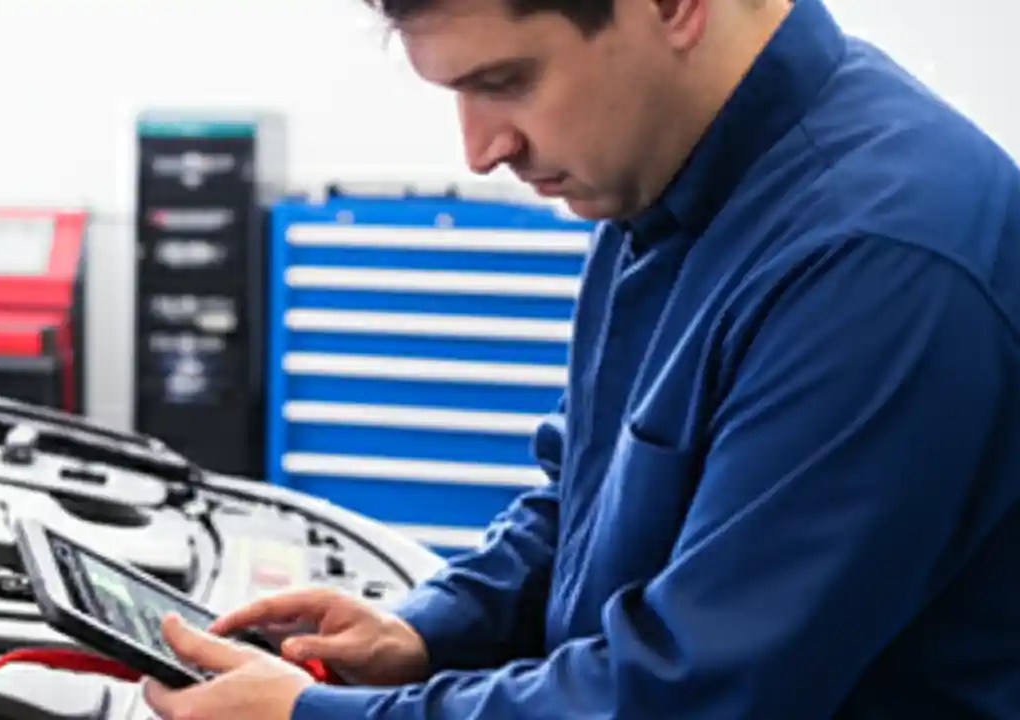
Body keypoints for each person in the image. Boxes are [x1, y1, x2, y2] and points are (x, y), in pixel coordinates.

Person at [143, 0, 1020, 717]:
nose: (482, 150)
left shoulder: (879, 261)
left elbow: (698, 694)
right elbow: (587, 501)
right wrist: (427, 631)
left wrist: (313, 719)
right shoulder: (664, 172)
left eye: (505, 82)